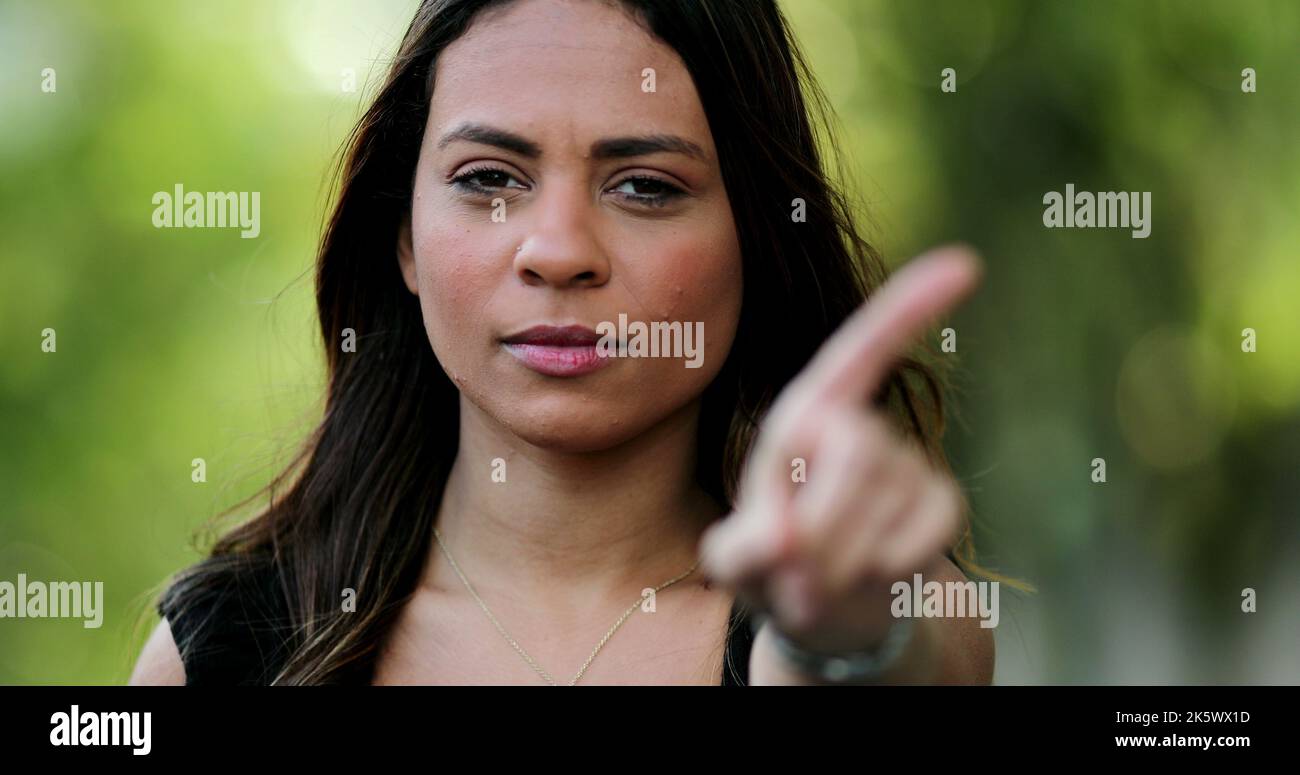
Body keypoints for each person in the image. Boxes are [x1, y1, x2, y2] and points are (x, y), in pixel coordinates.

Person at [131, 0, 1002, 686]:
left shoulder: (873, 604)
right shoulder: (220, 651)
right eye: (489, 179)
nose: (558, 250)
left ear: (756, 236)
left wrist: (834, 643)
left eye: (646, 187)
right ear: (404, 238)